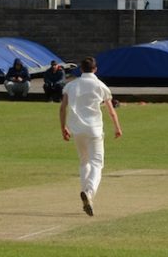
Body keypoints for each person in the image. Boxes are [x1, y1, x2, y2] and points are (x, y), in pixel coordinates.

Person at [59, 57, 122, 217]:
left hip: (77, 130)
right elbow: (111, 110)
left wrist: (63, 128)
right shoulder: (100, 85)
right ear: (95, 69)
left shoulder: (71, 85)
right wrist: (117, 128)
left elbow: (62, 108)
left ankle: (86, 193)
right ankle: (89, 192)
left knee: (84, 162)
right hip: (94, 130)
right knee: (97, 163)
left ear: (81, 69)